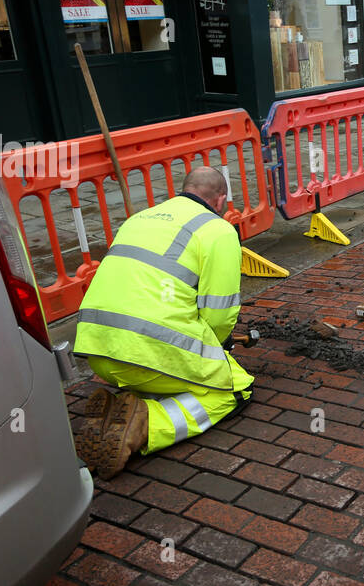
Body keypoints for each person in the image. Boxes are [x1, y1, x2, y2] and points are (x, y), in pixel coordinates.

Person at [73, 166, 253, 478]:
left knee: (172, 374)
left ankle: (121, 410)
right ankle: (145, 423)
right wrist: (218, 351)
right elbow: (218, 313)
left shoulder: (139, 218)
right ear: (221, 199)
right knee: (233, 389)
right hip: (146, 353)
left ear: (184, 189)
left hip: (97, 351)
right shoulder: (218, 230)